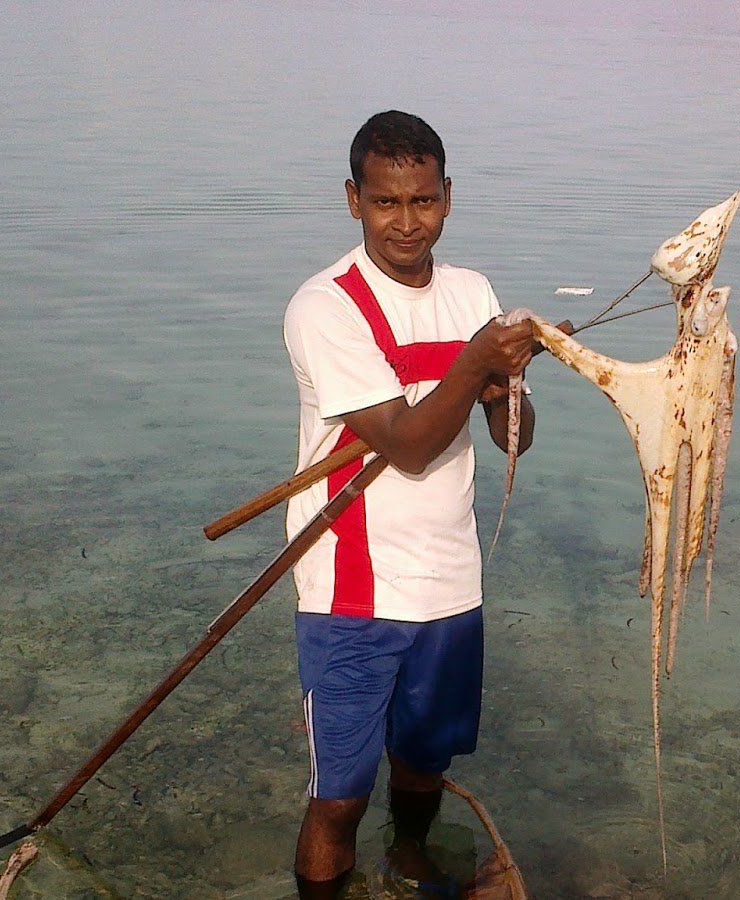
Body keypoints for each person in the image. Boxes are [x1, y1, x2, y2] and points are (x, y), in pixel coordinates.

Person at [282, 110, 542, 898]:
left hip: (450, 582)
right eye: (387, 202)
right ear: (353, 199)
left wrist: (513, 380)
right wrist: (475, 365)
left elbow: (514, 439)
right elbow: (406, 446)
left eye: (423, 201)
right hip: (352, 589)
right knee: (340, 795)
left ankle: (413, 861)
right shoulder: (326, 306)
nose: (407, 223)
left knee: (425, 765)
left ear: (448, 198)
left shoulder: (472, 292)